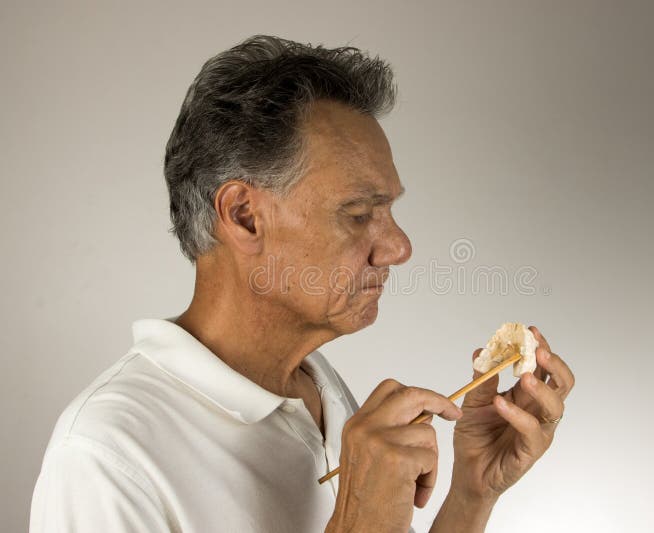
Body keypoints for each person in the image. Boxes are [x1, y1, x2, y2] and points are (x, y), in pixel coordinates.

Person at [30, 35, 575, 533]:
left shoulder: (320, 387)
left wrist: (472, 495)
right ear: (244, 216)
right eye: (359, 214)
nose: (399, 248)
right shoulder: (106, 456)